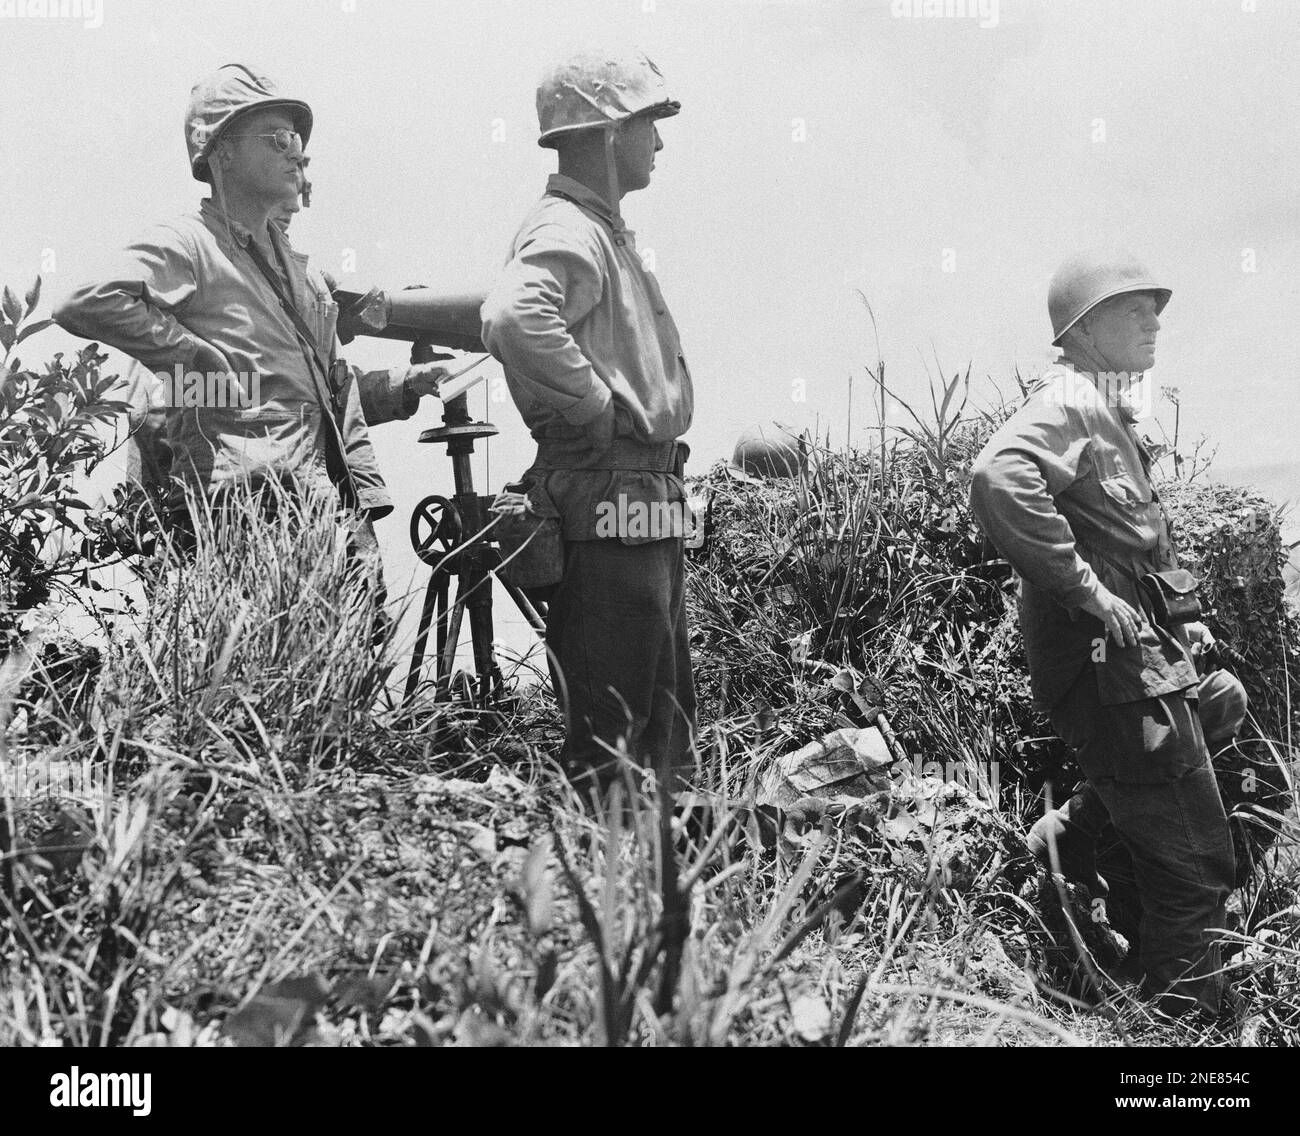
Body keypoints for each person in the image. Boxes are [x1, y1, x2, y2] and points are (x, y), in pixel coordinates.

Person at [969, 250, 1242, 1020]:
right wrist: (1084, 592)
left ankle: (1068, 843)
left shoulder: (1105, 411)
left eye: (1154, 308)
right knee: (1195, 865)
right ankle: (1181, 1026)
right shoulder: (1067, 404)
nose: (1155, 321)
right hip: (1114, 674)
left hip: (1146, 662)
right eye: (1134, 309)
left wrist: (1187, 635)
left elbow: (1136, 548)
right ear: (1084, 329)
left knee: (1223, 706)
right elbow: (997, 476)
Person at [52, 64, 447, 549]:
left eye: (298, 139)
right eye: (278, 138)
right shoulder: (190, 244)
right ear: (222, 151)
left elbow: (318, 396)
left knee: (367, 629)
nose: (296, 150)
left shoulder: (301, 274)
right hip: (250, 514)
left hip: (331, 506)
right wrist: (191, 355)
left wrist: (405, 385)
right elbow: (83, 300)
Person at [480, 48, 696, 794]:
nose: (659, 143)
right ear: (608, 133)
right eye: (647, 124)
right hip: (611, 506)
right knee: (613, 751)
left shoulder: (595, 230)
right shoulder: (569, 229)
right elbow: (514, 315)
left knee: (663, 747)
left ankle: (653, 896)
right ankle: (600, 895)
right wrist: (593, 406)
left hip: (641, 509)